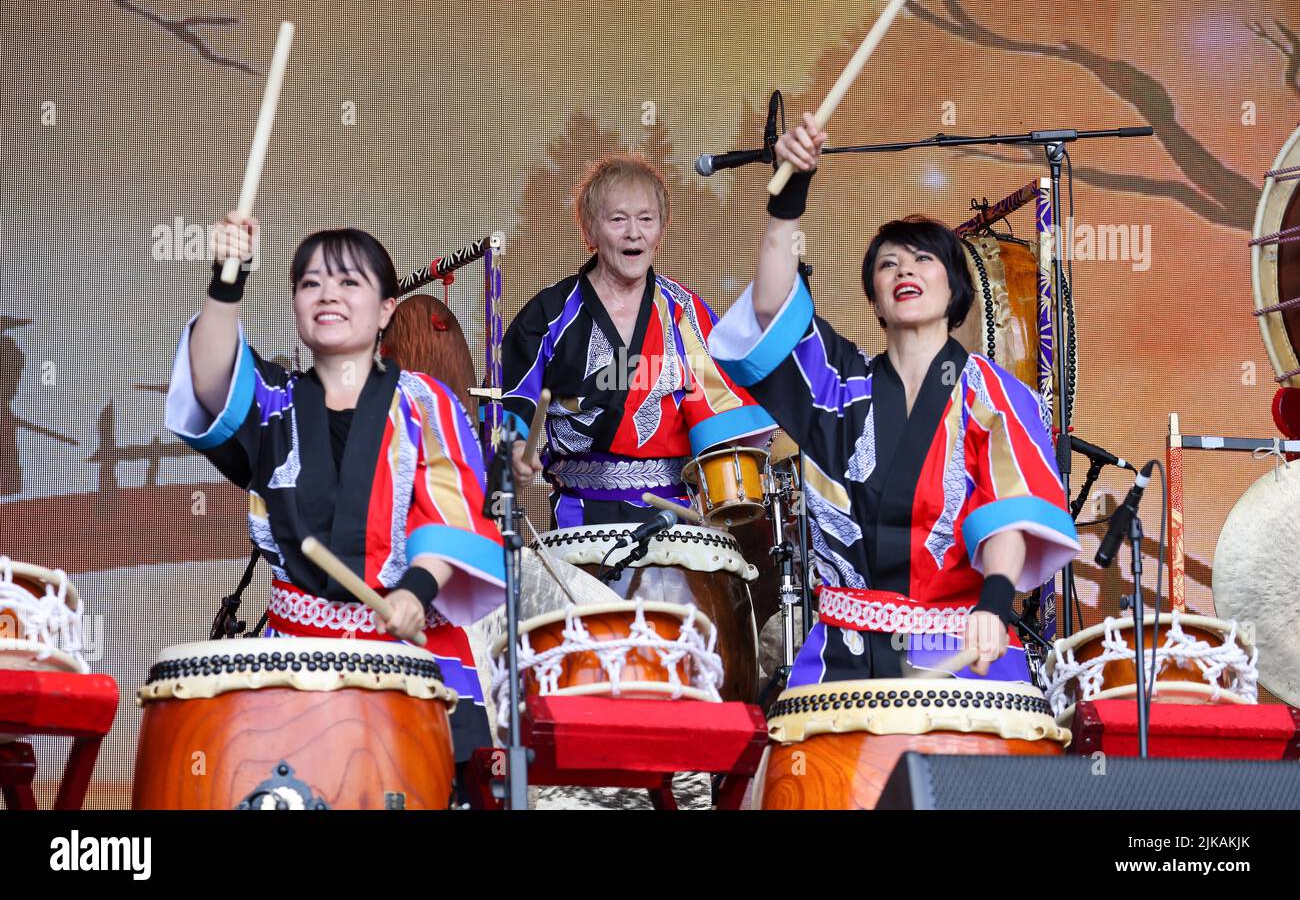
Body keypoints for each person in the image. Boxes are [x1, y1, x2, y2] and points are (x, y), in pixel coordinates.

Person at [709, 113, 1080, 683]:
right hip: (843, 653)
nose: (904, 268)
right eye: (888, 263)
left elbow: (1010, 504)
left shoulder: (992, 392)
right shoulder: (838, 385)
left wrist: (995, 602)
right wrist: (789, 198)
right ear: (877, 302)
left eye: (922, 259)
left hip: (959, 644)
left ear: (955, 290)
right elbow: (770, 308)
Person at [165, 213, 505, 771]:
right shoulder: (273, 399)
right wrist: (227, 284)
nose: (329, 294)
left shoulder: (425, 403)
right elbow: (210, 379)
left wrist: (416, 591)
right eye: (311, 282)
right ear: (296, 304)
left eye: (350, 282)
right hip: (293, 660)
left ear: (386, 310)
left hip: (408, 654)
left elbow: (454, 511)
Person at [501, 154, 775, 529]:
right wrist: (516, 447)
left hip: (675, 517)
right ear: (589, 232)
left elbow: (724, 408)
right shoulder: (548, 315)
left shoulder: (687, 313)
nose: (634, 232)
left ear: (661, 231)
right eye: (618, 219)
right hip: (578, 516)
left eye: (646, 219)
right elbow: (514, 403)